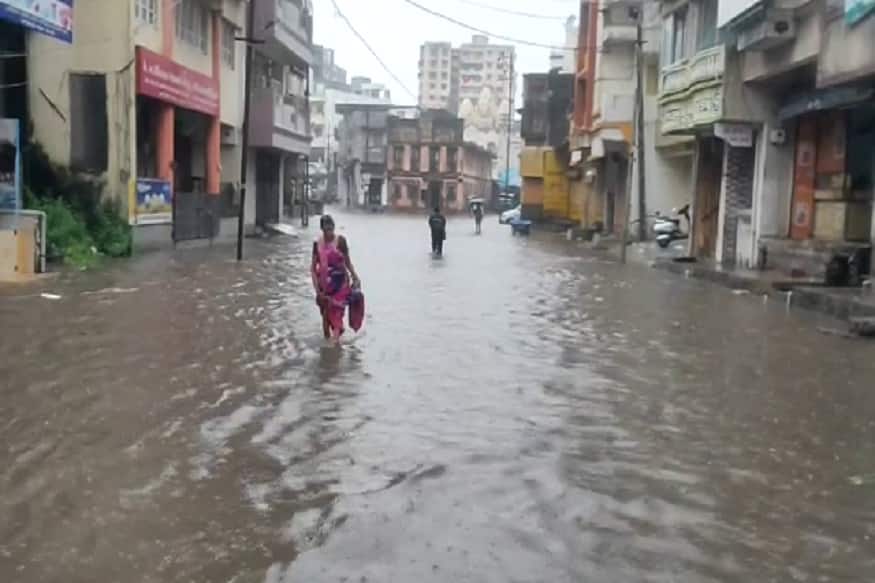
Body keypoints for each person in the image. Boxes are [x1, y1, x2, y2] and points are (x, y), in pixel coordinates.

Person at [312, 215, 360, 340]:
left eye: (331, 229)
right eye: (326, 229)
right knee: (326, 317)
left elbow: (348, 262)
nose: (329, 232)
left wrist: (355, 276)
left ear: (334, 227)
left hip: (340, 285)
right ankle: (329, 344)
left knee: (336, 314)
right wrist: (317, 289)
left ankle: (334, 348)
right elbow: (312, 268)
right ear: (322, 229)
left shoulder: (341, 241)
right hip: (324, 286)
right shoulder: (317, 244)